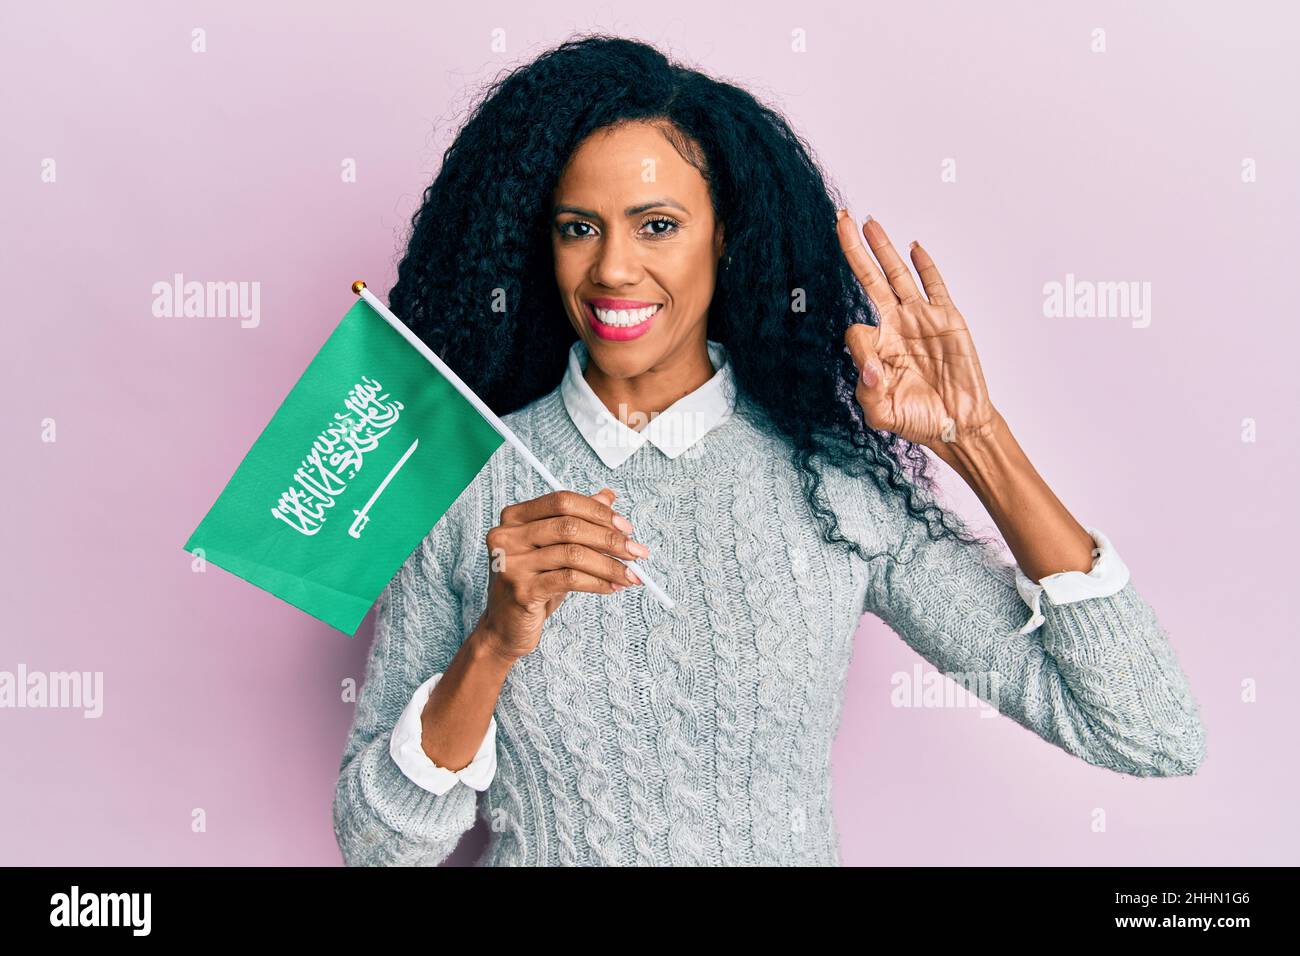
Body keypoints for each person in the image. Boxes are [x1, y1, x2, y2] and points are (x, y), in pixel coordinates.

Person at [331, 34, 1206, 867]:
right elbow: (380, 845)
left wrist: (977, 439)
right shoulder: (462, 477)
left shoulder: (830, 488)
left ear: (728, 237)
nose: (613, 271)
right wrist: (492, 641)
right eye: (578, 227)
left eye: (658, 225)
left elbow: (1146, 731)